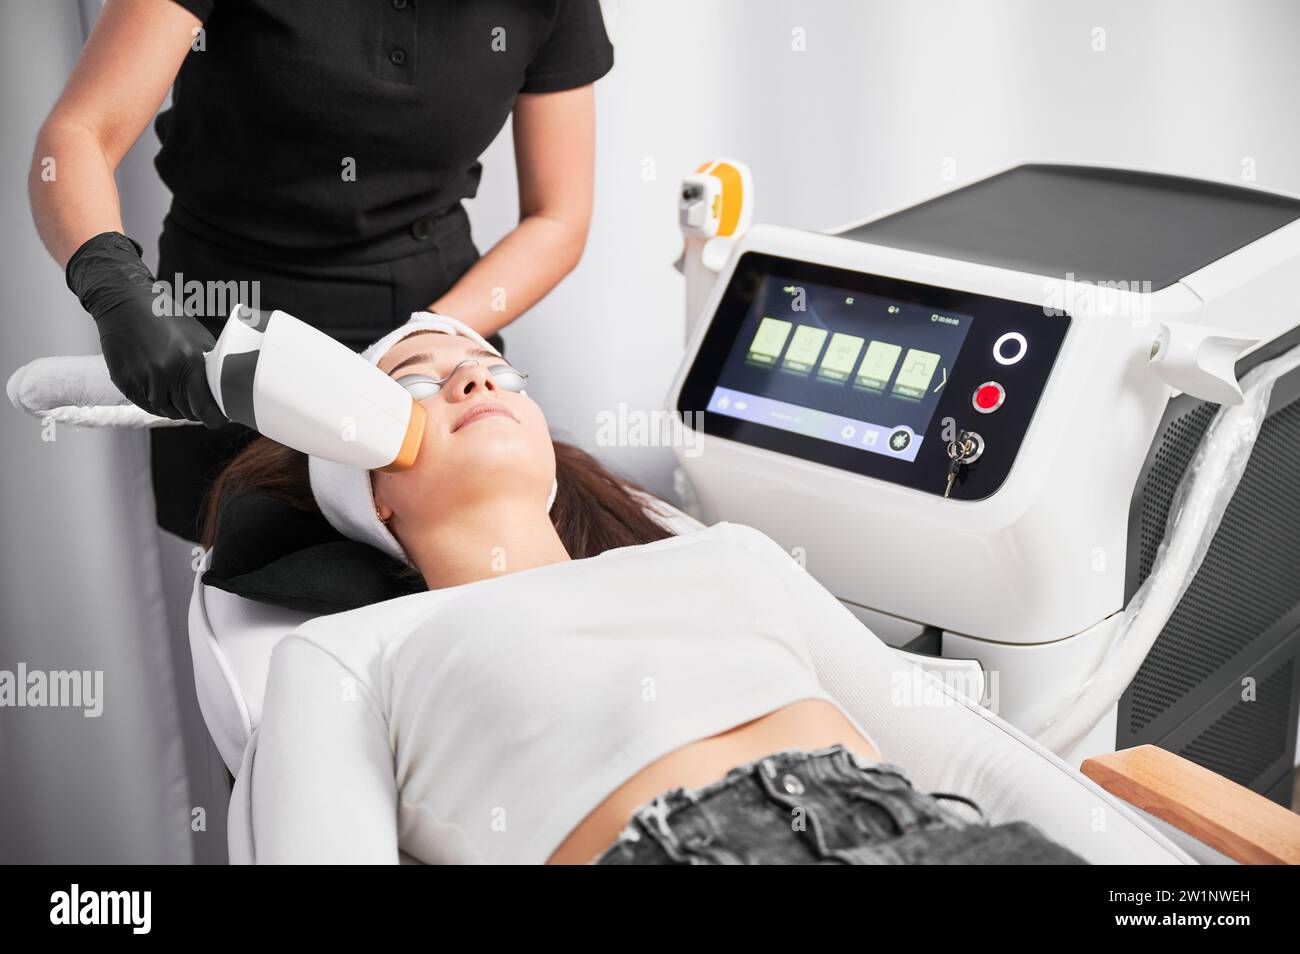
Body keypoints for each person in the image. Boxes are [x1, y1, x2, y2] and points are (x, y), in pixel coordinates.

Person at [205, 316, 1089, 865]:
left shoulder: (729, 559)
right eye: (417, 385)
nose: (477, 378)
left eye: (491, 368)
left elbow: (979, 765)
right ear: (370, 488)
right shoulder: (354, 652)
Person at [29, 0, 613, 541]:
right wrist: (112, 282)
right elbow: (79, 134)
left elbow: (558, 218)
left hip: (430, 338)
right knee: (260, 593)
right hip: (222, 338)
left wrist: (416, 344)